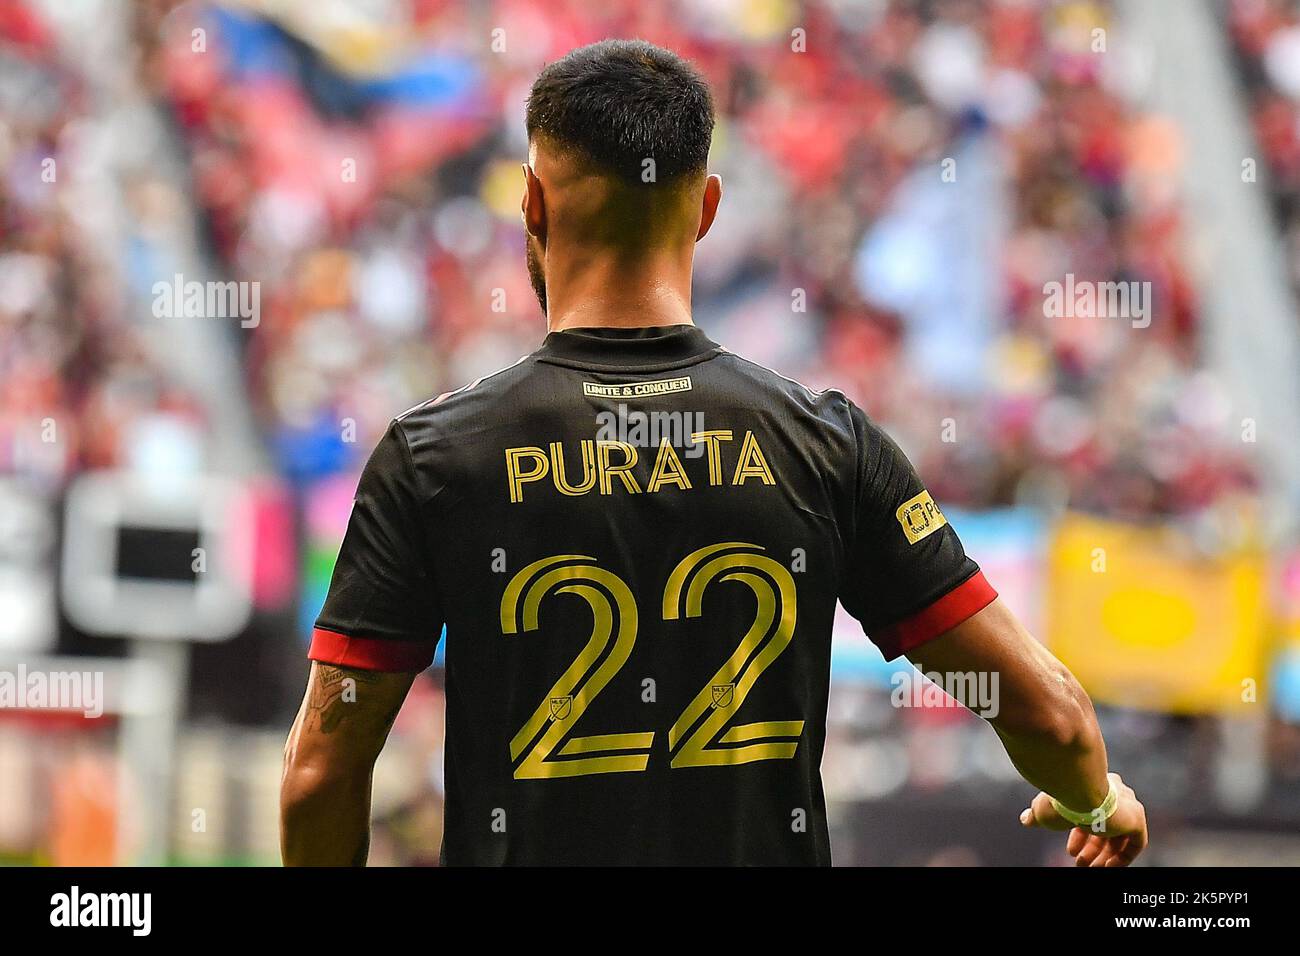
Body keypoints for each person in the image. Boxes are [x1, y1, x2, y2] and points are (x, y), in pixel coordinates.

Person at [280, 39, 1148, 866]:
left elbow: (321, 775)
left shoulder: (434, 457)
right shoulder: (827, 444)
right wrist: (1095, 802)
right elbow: (1052, 716)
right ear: (706, 211)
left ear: (533, 205)